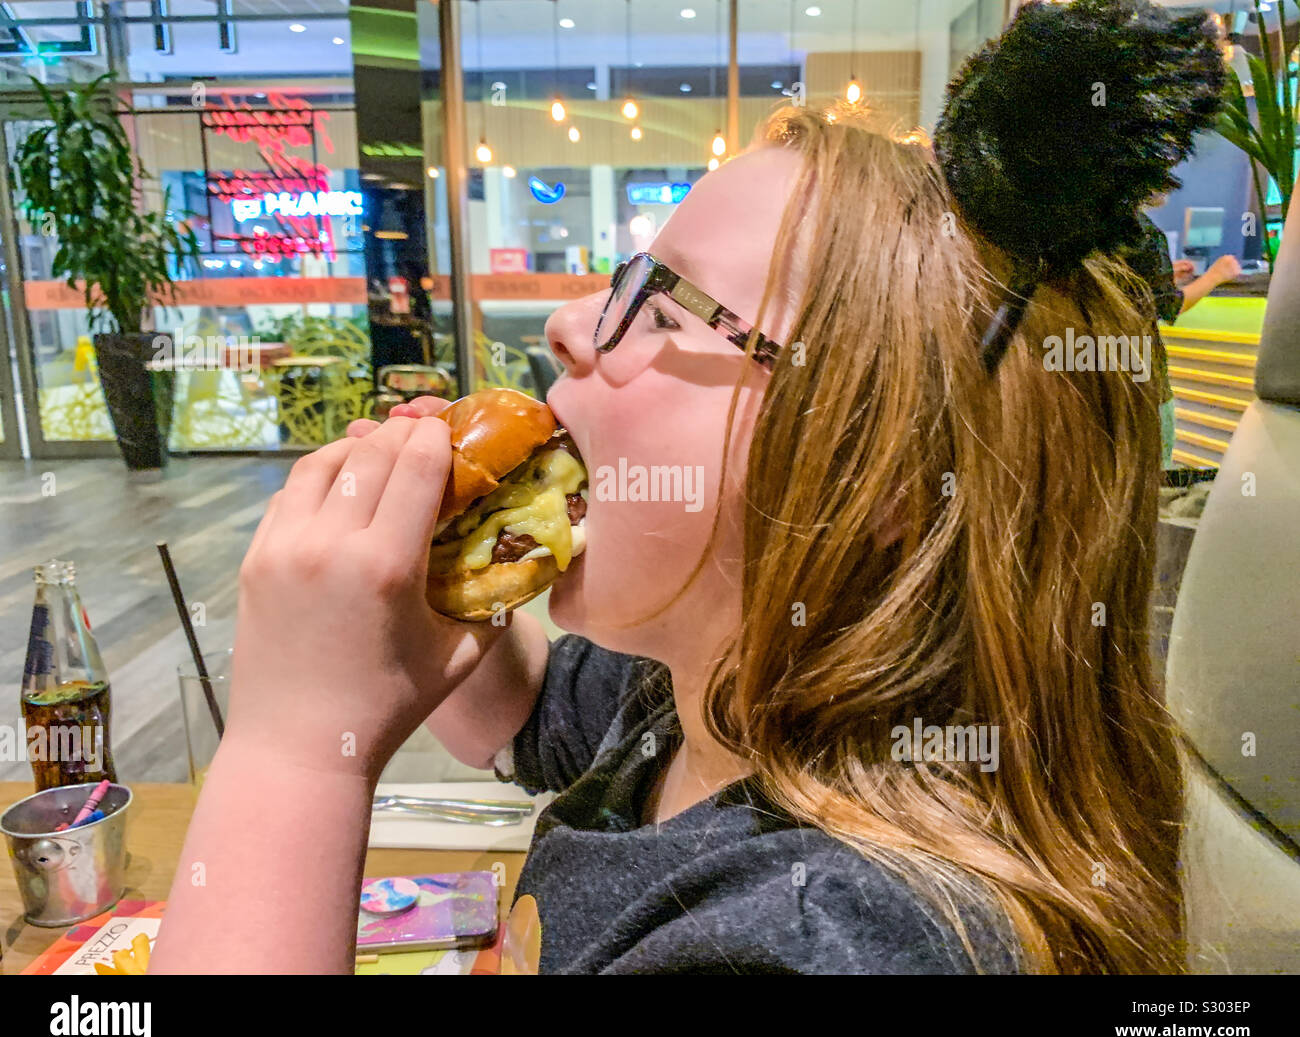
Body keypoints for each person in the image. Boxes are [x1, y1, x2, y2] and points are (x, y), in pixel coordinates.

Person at [152, 0, 1220, 975]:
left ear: (879, 476)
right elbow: (521, 718)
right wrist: (431, 570)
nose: (570, 324)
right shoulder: (722, 695)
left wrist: (291, 756)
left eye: (662, 312)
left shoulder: (824, 942)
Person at [1121, 201, 1243, 467]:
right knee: (1153, 481)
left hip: (1096, 378)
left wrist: (1162, 275)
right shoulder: (1142, 231)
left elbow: (1130, 290)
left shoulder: (1096, 226)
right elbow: (1167, 307)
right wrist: (1216, 275)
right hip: (1144, 387)